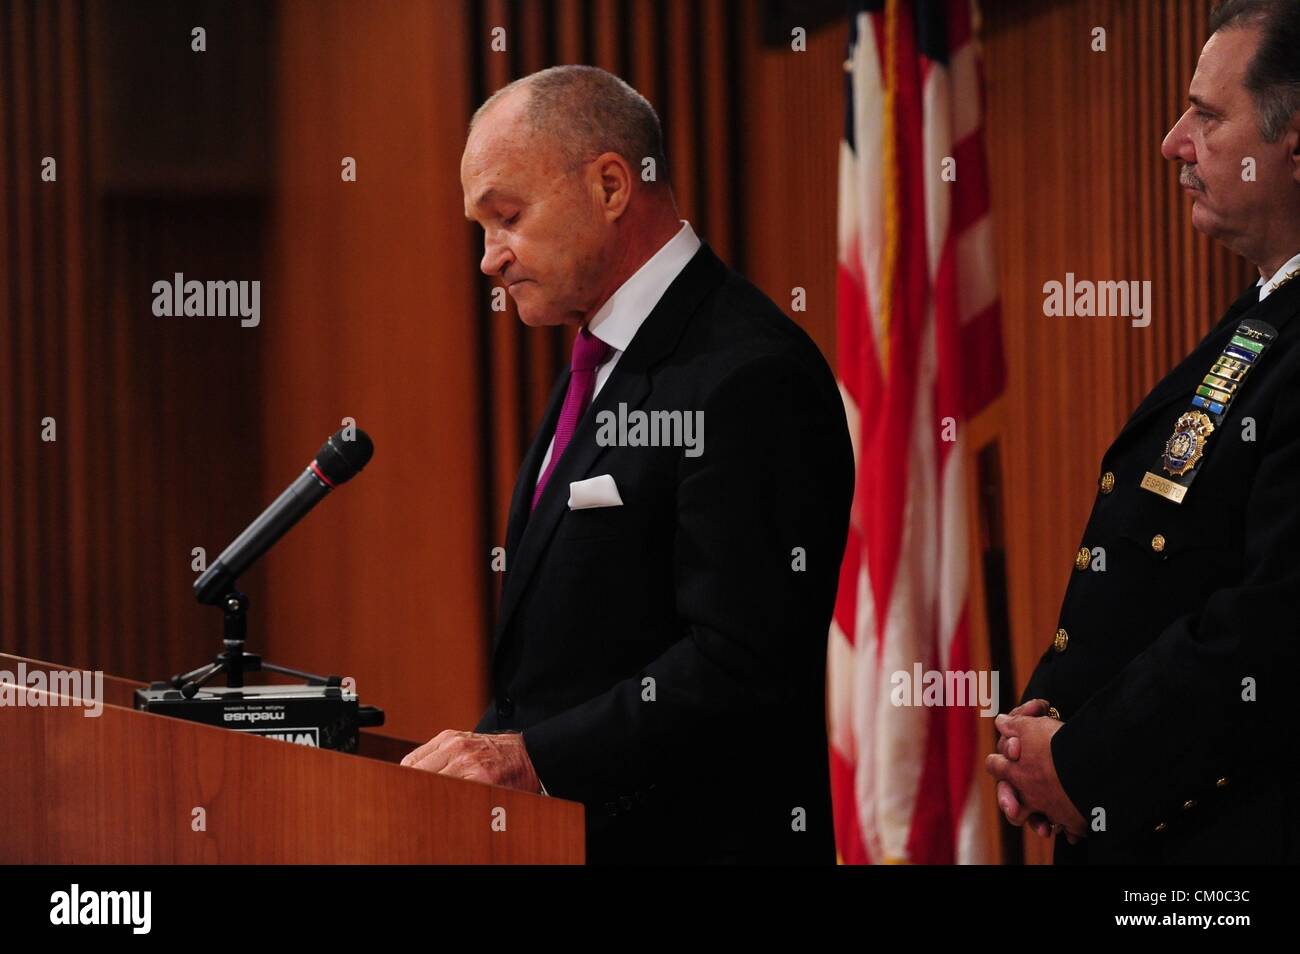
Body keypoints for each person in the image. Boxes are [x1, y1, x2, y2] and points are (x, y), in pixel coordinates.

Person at [401, 65, 854, 864]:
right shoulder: (602, 354)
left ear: (612, 185)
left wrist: (534, 757)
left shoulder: (750, 373)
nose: (488, 259)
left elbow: (742, 664)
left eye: (505, 217)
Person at [986, 0, 1300, 863]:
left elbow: (1273, 624)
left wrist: (1085, 762)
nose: (1173, 141)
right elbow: (1155, 554)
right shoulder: (1264, 314)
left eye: (1206, 114)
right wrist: (1053, 717)